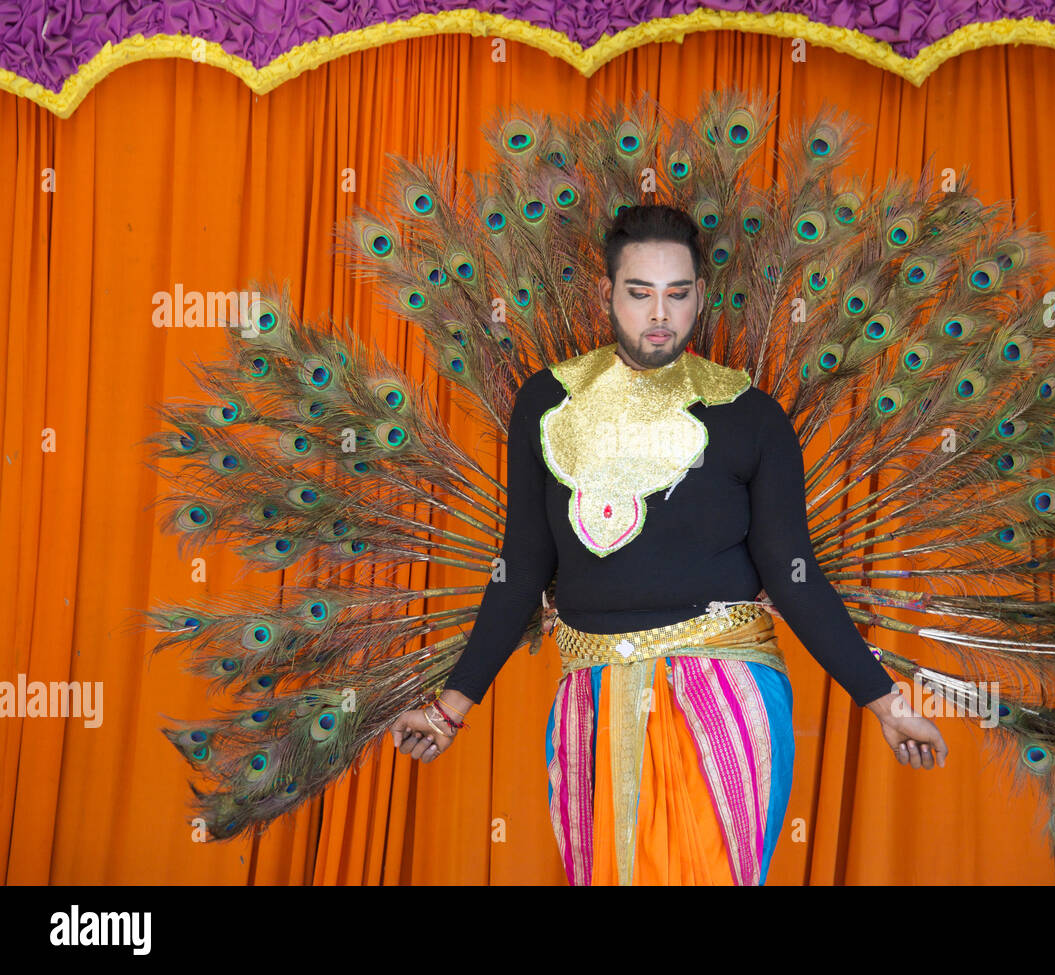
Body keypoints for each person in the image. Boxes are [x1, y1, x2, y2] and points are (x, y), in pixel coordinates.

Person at [387, 204, 948, 885]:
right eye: (640, 292)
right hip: (589, 695)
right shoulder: (547, 402)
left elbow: (793, 573)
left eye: (678, 294)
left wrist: (884, 701)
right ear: (606, 294)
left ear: (701, 297)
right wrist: (451, 709)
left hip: (724, 690)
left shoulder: (750, 414)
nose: (661, 313)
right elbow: (523, 568)